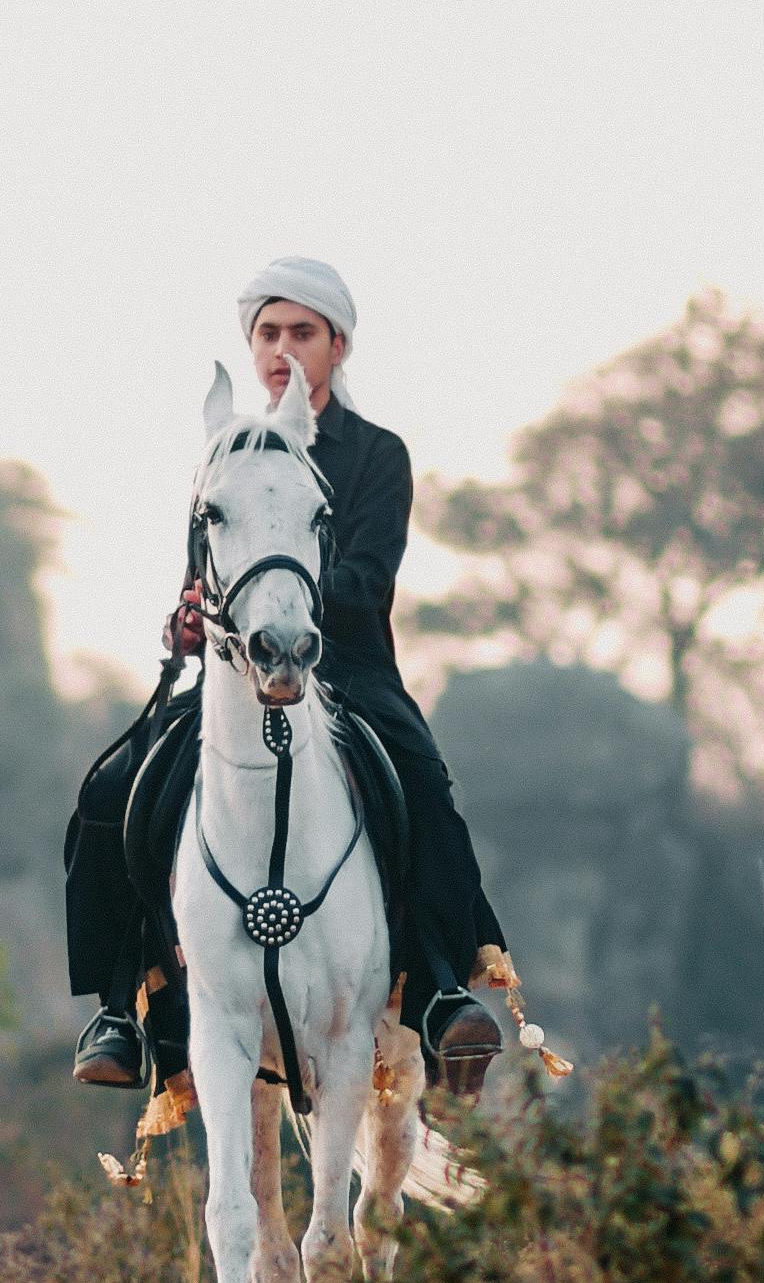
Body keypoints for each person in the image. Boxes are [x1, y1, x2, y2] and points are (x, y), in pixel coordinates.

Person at [64, 255, 510, 1098]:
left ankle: (443, 985)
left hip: (347, 672)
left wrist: (284, 609)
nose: (281, 349)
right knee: (108, 792)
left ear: (336, 346)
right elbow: (203, 569)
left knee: (424, 789)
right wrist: (190, 621)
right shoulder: (224, 452)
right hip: (235, 678)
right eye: (267, 332)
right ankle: (120, 1006)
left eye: (301, 332)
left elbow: (368, 581)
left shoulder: (377, 454)